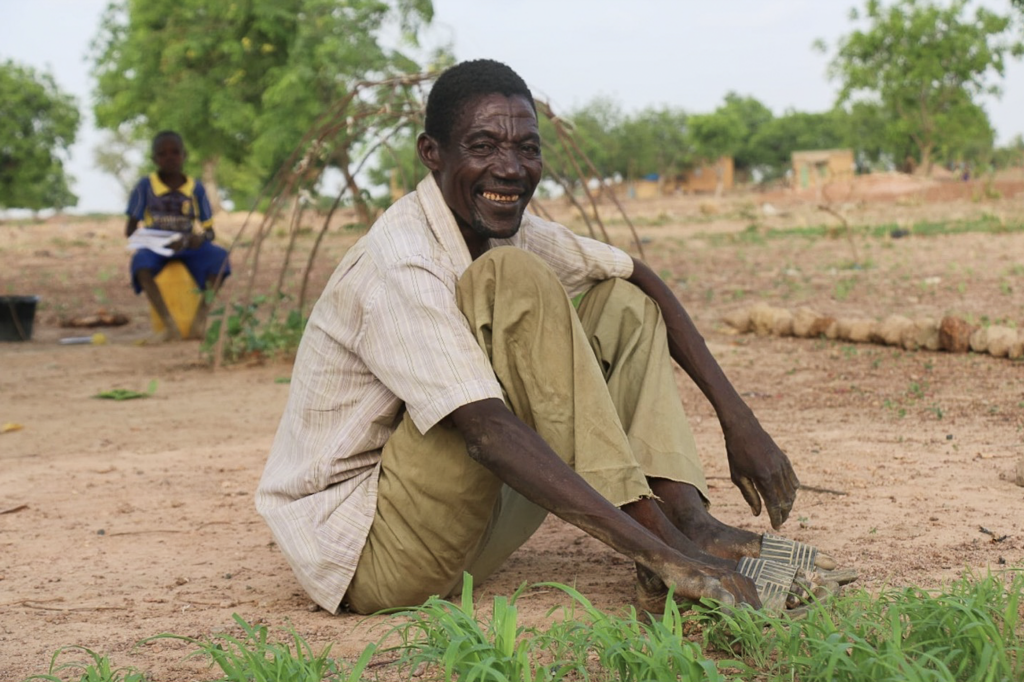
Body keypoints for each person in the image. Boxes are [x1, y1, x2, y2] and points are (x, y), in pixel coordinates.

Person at [257, 60, 852, 616]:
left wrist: (738, 420)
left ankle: (692, 524)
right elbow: (487, 432)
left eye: (526, 148)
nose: (510, 168)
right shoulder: (401, 262)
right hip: (378, 555)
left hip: (468, 536)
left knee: (621, 301)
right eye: (483, 146)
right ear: (431, 154)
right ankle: (668, 549)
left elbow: (636, 273)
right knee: (511, 282)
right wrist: (663, 557)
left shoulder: (496, 226)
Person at [125, 131, 230, 341]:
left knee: (220, 258)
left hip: (189, 245)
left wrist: (199, 238)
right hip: (157, 248)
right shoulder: (144, 187)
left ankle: (200, 321)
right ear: (154, 159)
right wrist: (154, 239)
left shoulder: (195, 188)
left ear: (184, 155)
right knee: (140, 263)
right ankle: (169, 324)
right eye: (162, 154)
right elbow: (130, 230)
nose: (169, 157)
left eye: (175, 152)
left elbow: (209, 231)